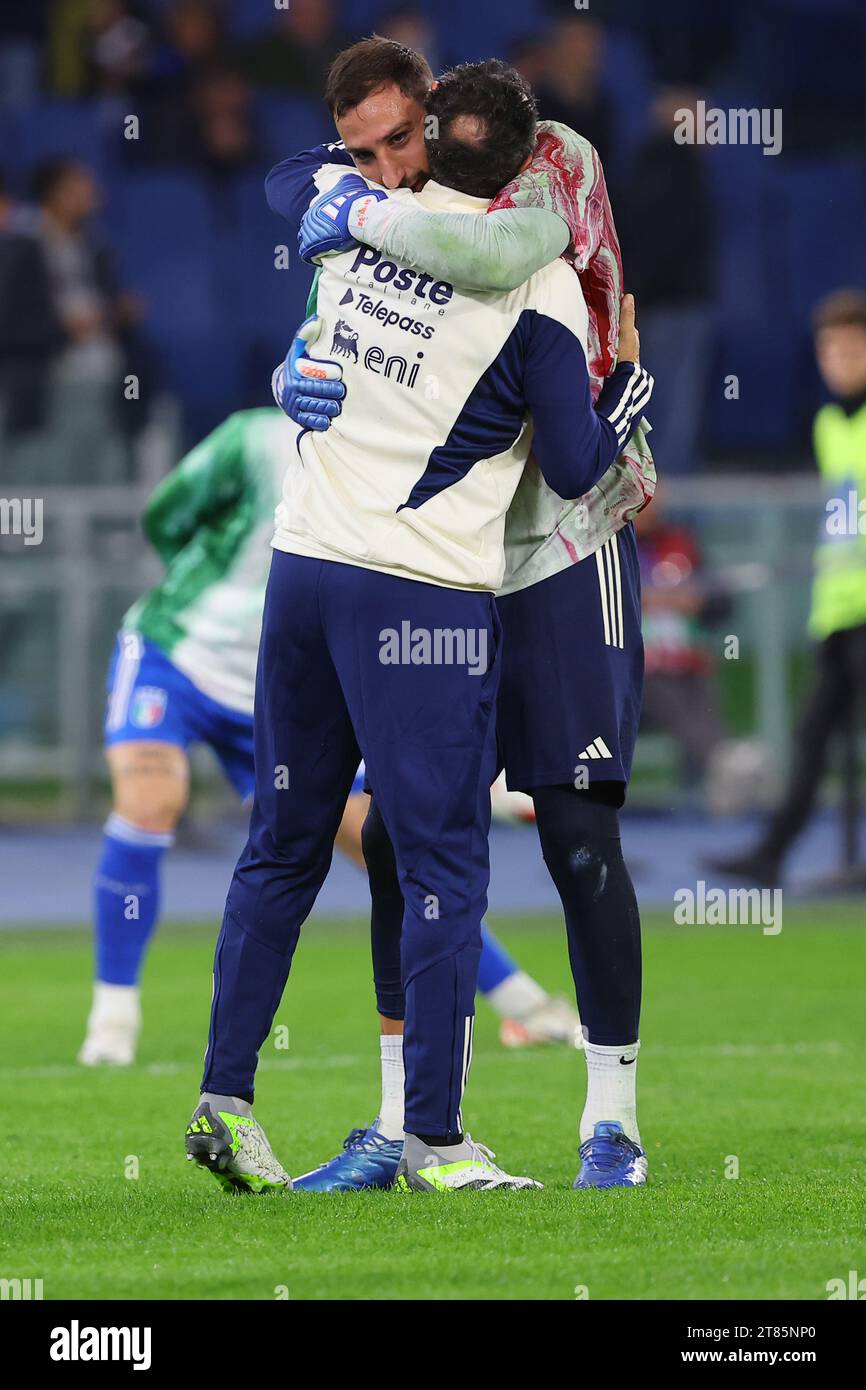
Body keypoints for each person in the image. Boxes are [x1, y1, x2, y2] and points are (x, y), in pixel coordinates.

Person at [184, 58, 651, 1196]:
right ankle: (414, 1133)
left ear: (441, 127)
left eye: (403, 145)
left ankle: (612, 1122)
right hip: (429, 576)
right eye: (367, 154)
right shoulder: (384, 225)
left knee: (571, 829)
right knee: (415, 844)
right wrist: (296, 359)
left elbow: (493, 253)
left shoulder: (541, 174)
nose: (387, 167)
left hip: (548, 546)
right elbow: (346, 314)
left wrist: (344, 213)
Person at [82, 407, 577, 1066]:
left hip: (276, 679)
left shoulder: (401, 453)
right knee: (151, 800)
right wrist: (206, 580)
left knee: (381, 845)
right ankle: (113, 1019)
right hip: (178, 653)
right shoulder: (255, 438)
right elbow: (167, 514)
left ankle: (524, 1005)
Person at [708, 289, 866, 887]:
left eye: (853, 348)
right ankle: (771, 856)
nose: (841, 360)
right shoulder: (828, 424)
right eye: (831, 349)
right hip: (838, 608)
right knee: (811, 738)